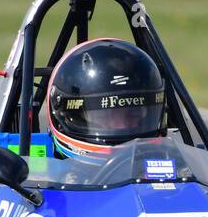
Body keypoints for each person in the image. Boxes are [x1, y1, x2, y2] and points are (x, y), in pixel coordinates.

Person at [45, 38, 166, 183]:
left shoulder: (172, 175)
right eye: (106, 118)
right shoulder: (43, 184)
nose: (122, 125)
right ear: (68, 115)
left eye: (133, 115)